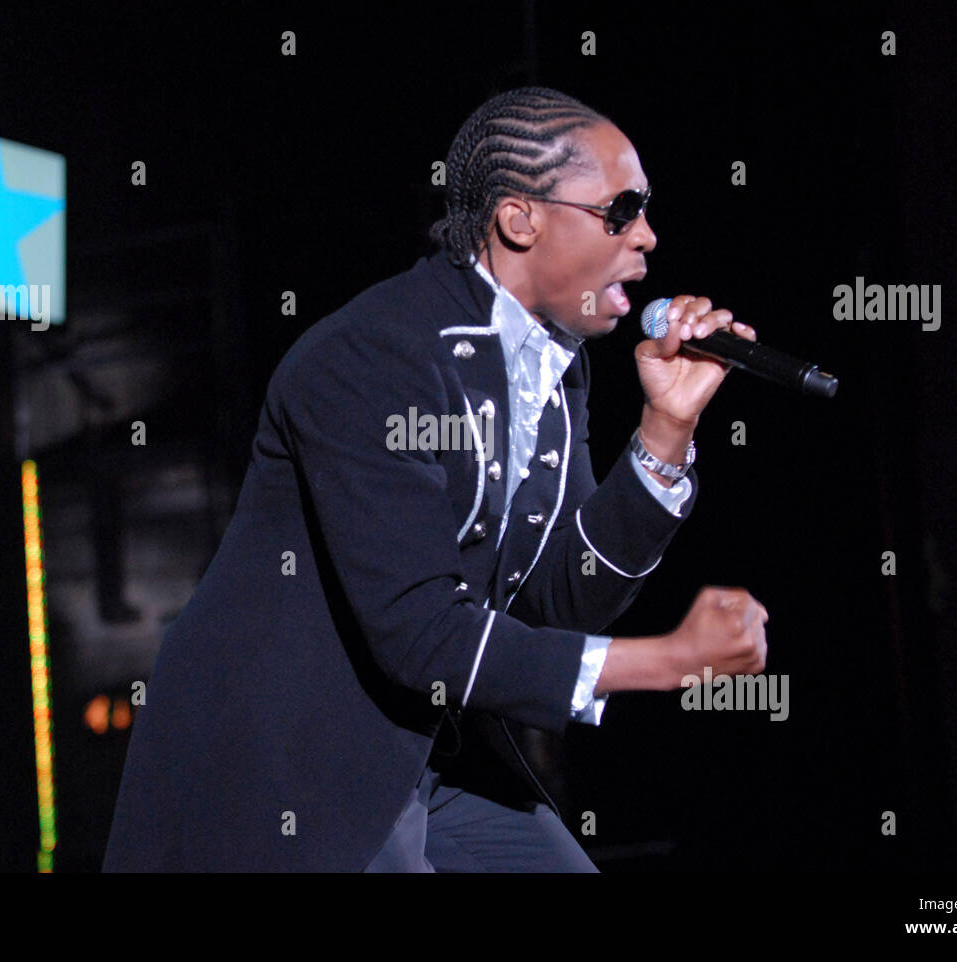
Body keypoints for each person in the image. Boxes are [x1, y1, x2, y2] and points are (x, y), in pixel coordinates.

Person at [103, 86, 769, 873]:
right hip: (293, 753)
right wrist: (665, 660)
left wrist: (665, 431)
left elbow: (560, 600)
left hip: (431, 747)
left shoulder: (557, 371)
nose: (648, 237)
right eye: (620, 211)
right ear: (520, 219)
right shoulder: (372, 356)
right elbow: (421, 634)